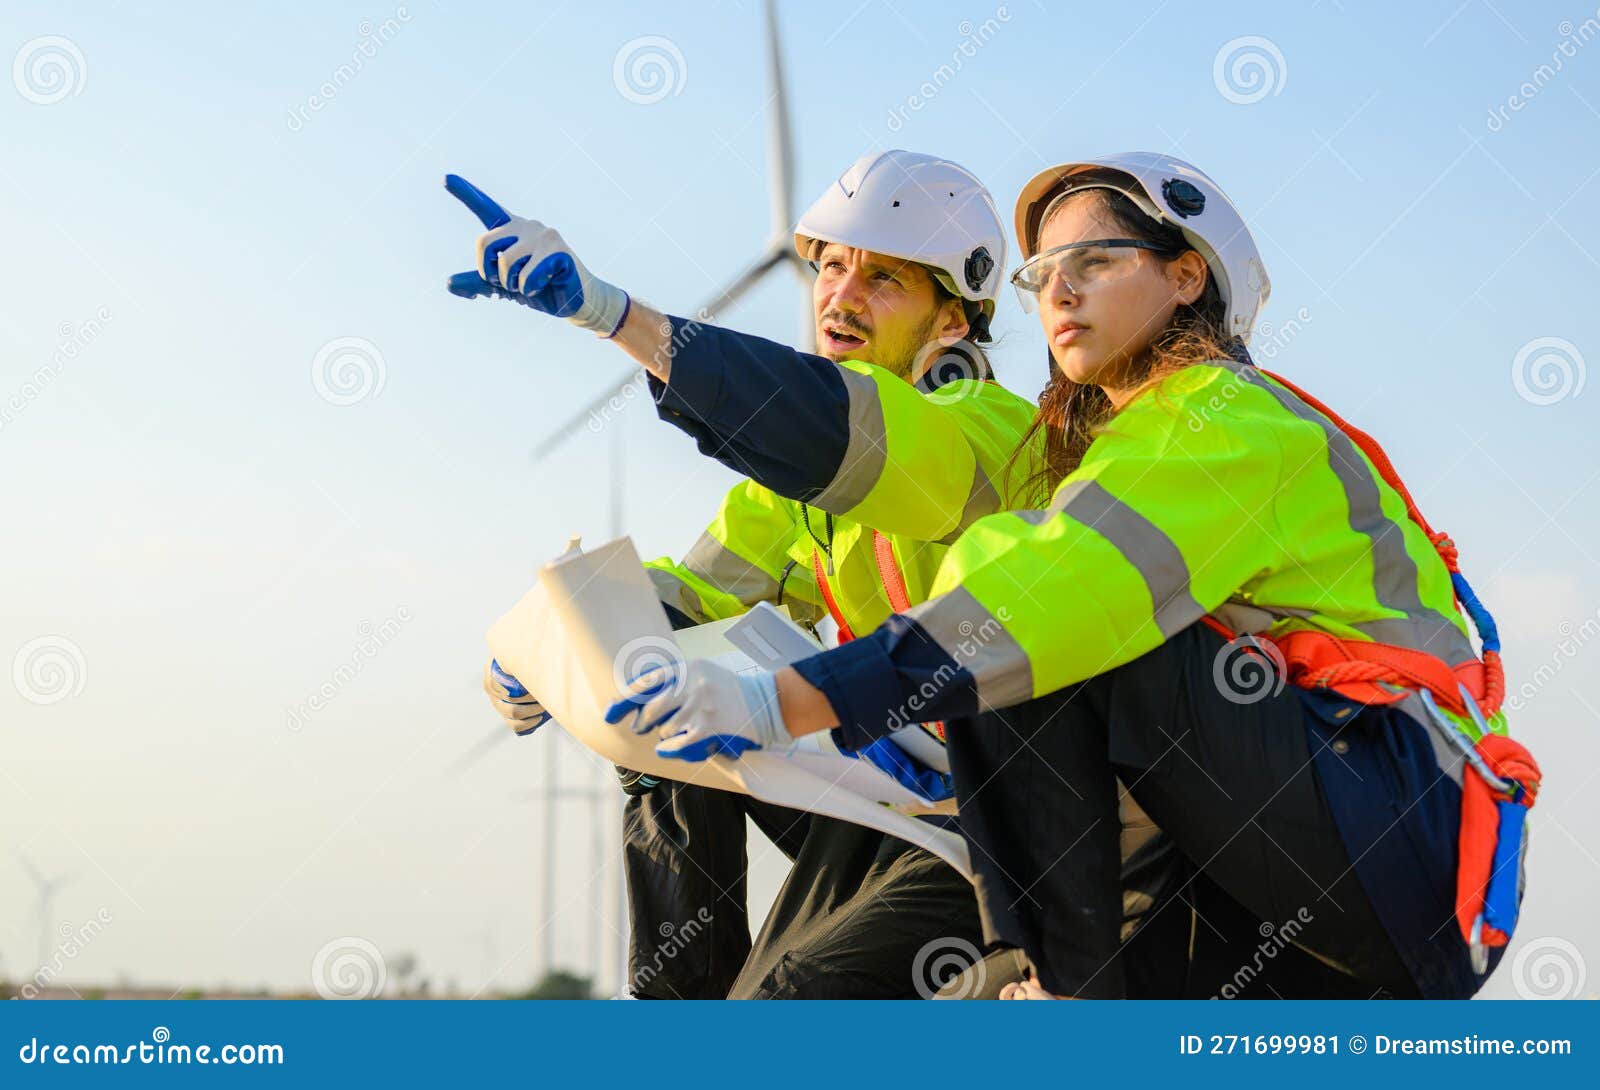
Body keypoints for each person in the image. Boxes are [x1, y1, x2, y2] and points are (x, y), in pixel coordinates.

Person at [606, 152, 1540, 1000]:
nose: (1061, 293)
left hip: (1397, 827)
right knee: (684, 780)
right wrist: (567, 644)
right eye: (1044, 275)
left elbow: (1041, 596)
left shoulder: (1222, 423)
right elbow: (701, 593)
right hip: (1254, 855)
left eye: (1095, 262)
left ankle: (1053, 993)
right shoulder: (1119, 447)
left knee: (1028, 607)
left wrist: (781, 702)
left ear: (1186, 276)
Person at [457, 151, 1047, 998]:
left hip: (1006, 827)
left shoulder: (989, 434)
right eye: (832, 267)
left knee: (787, 1008)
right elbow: (682, 596)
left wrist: (614, 315)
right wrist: (542, 645)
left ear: (952, 323)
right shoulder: (798, 491)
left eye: (884, 279)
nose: (841, 297)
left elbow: (855, 440)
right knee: (652, 688)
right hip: (889, 801)